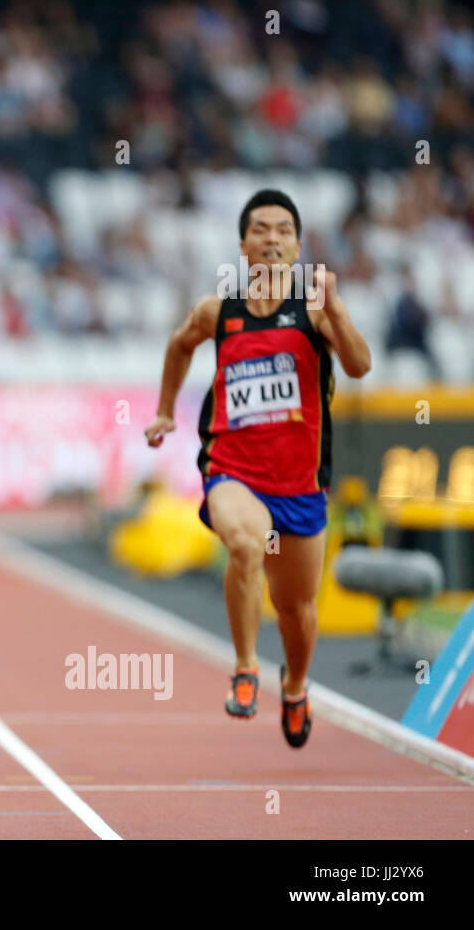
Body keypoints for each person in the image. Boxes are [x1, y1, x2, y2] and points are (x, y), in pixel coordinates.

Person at [145, 189, 371, 748]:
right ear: (243, 244)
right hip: (232, 469)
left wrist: (338, 312)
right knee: (246, 546)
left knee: (296, 609)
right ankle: (245, 668)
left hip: (300, 483)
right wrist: (164, 412)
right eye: (261, 229)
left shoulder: (314, 310)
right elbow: (179, 346)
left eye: (284, 230)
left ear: (297, 246)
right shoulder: (218, 311)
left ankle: (293, 686)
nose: (272, 238)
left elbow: (360, 366)